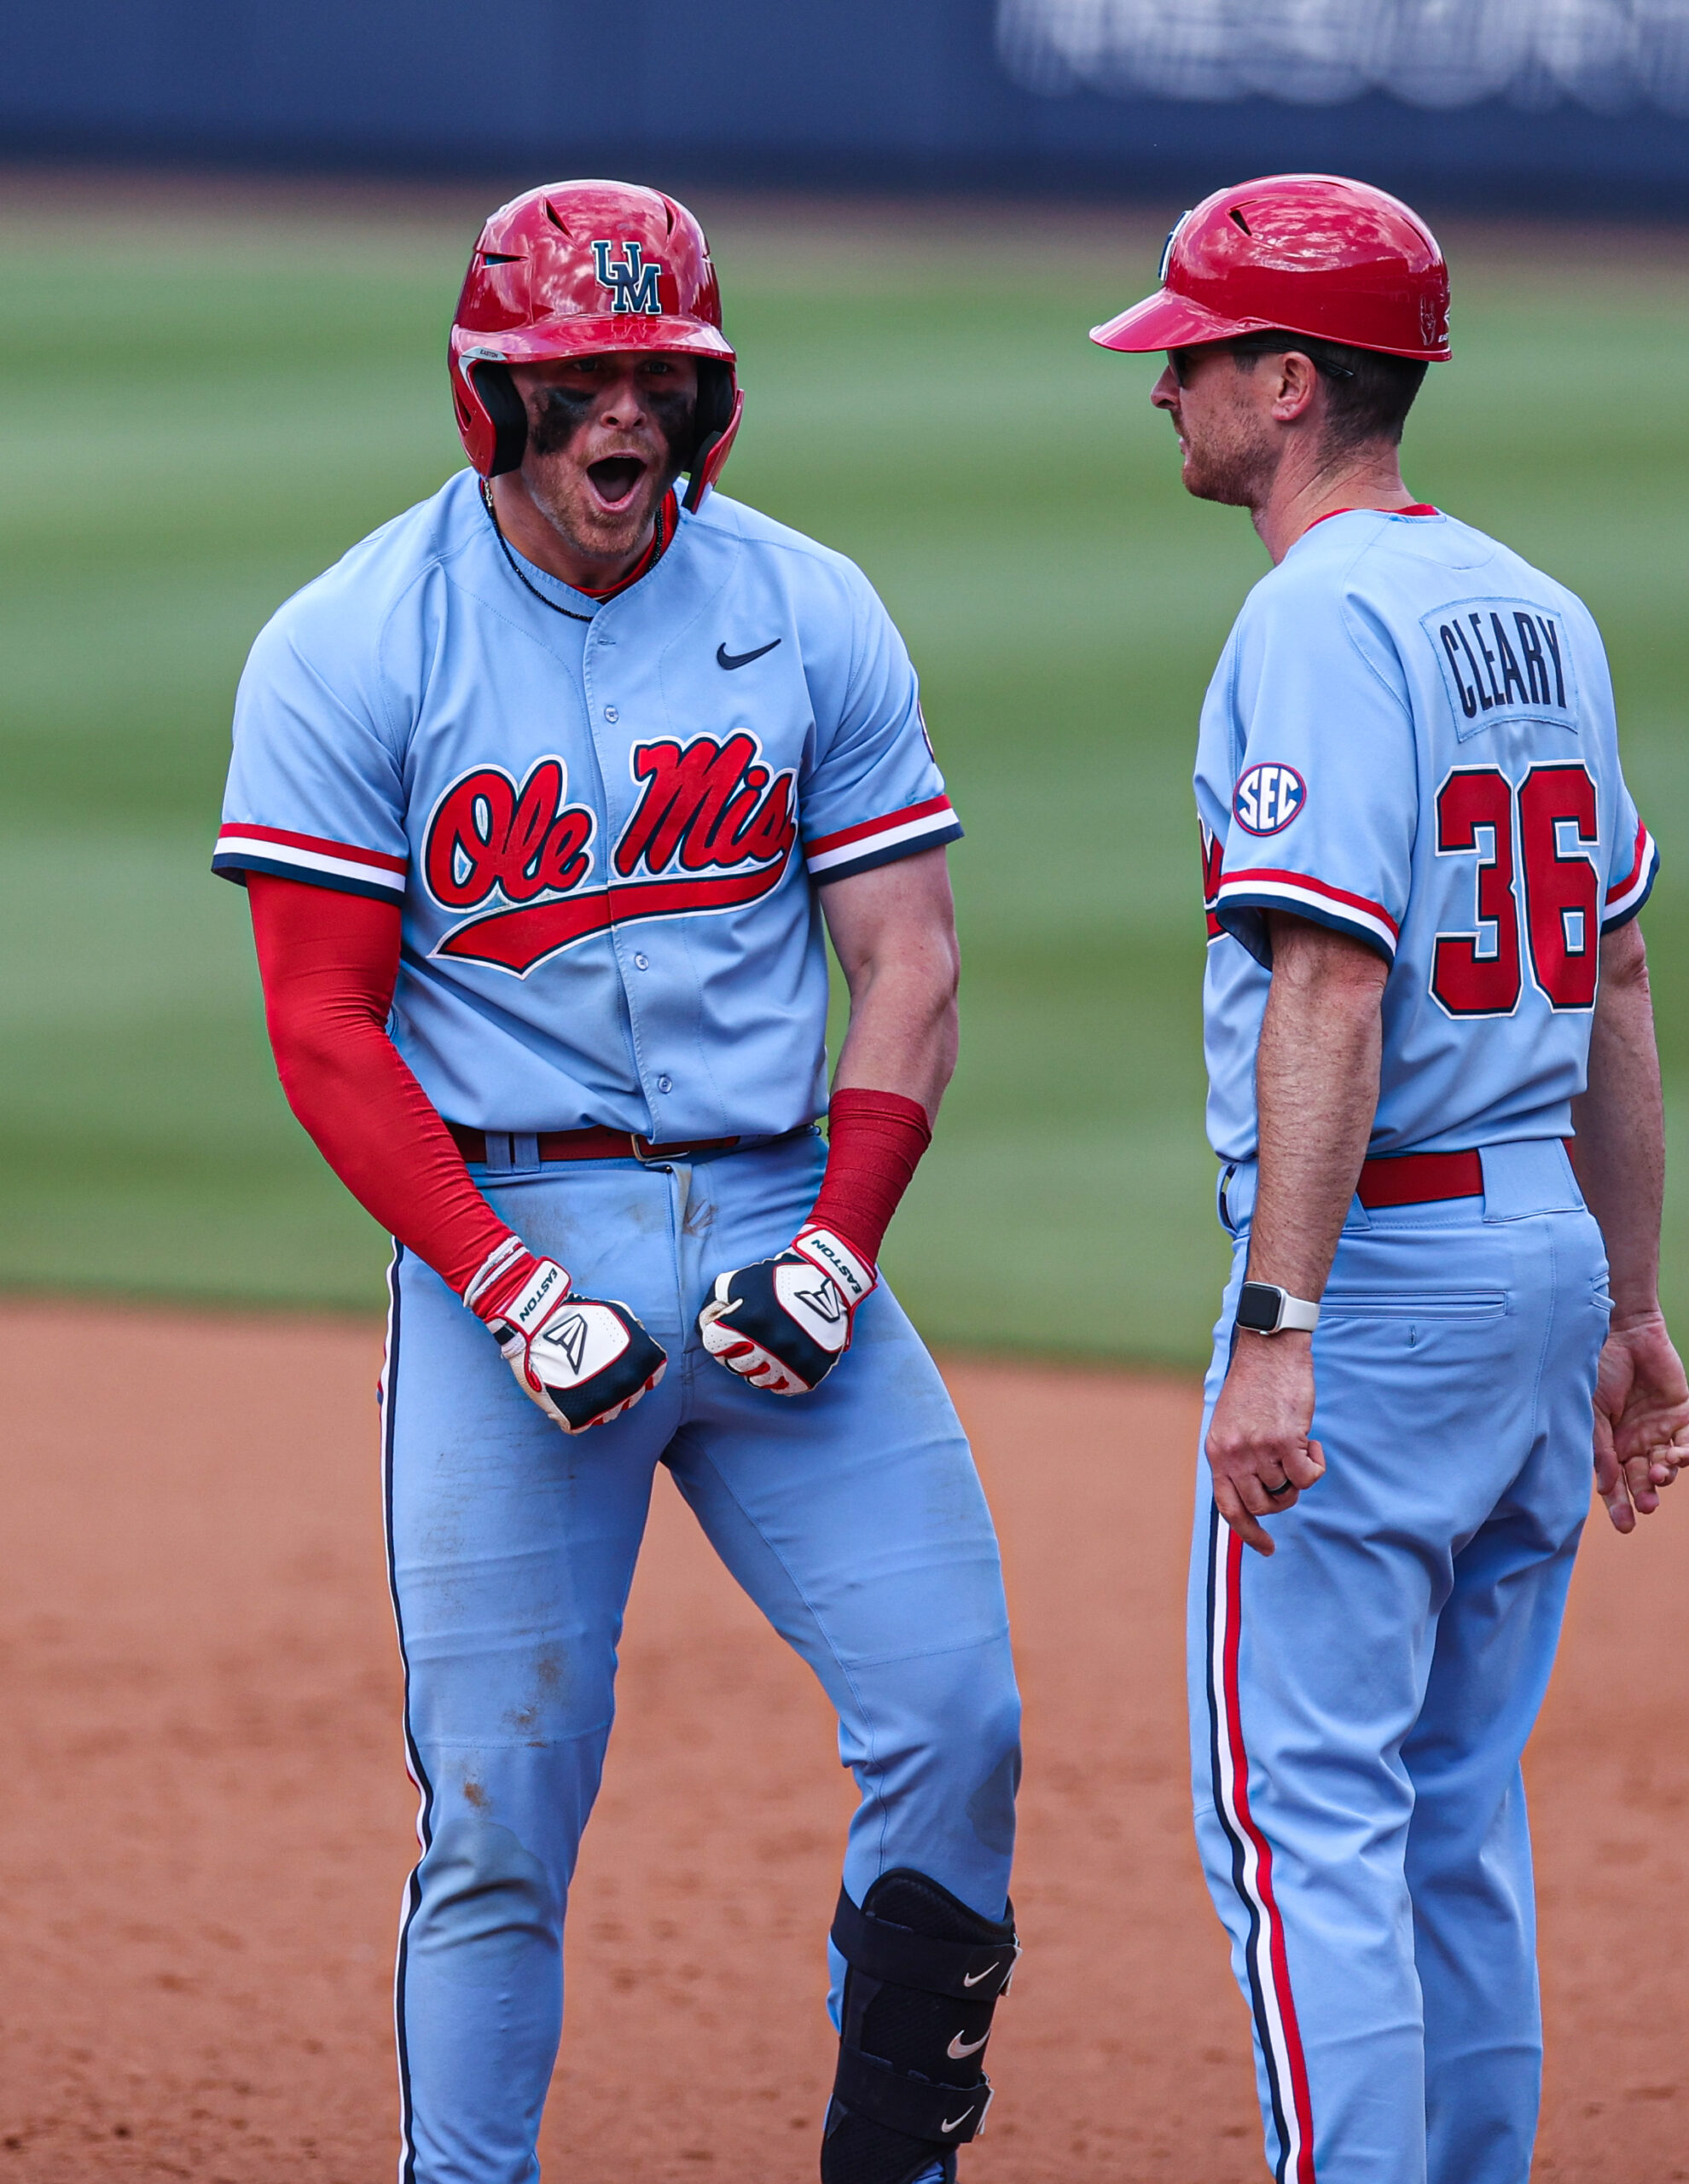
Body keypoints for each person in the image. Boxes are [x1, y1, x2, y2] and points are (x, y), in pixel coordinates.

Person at [213, 179, 1020, 2184]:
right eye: (579, 376)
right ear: (492, 395)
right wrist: (505, 1288)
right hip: (507, 1243)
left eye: (662, 373)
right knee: (498, 1820)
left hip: (774, 1230)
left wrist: (838, 1246)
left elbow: (908, 960)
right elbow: (324, 1026)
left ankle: (889, 2161)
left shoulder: (807, 606)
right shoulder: (353, 643)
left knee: (958, 1720)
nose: (626, 414)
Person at [1090, 172, 1689, 2184]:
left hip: (1385, 1277)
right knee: (1453, 1802)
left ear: (1287, 383)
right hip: (1535, 1257)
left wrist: (1279, 1321)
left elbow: (1330, 982)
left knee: (1305, 1821)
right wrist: (1627, 1302)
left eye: (1189, 352)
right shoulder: (1537, 605)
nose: (1159, 384)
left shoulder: (1314, 616)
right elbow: (1614, 972)